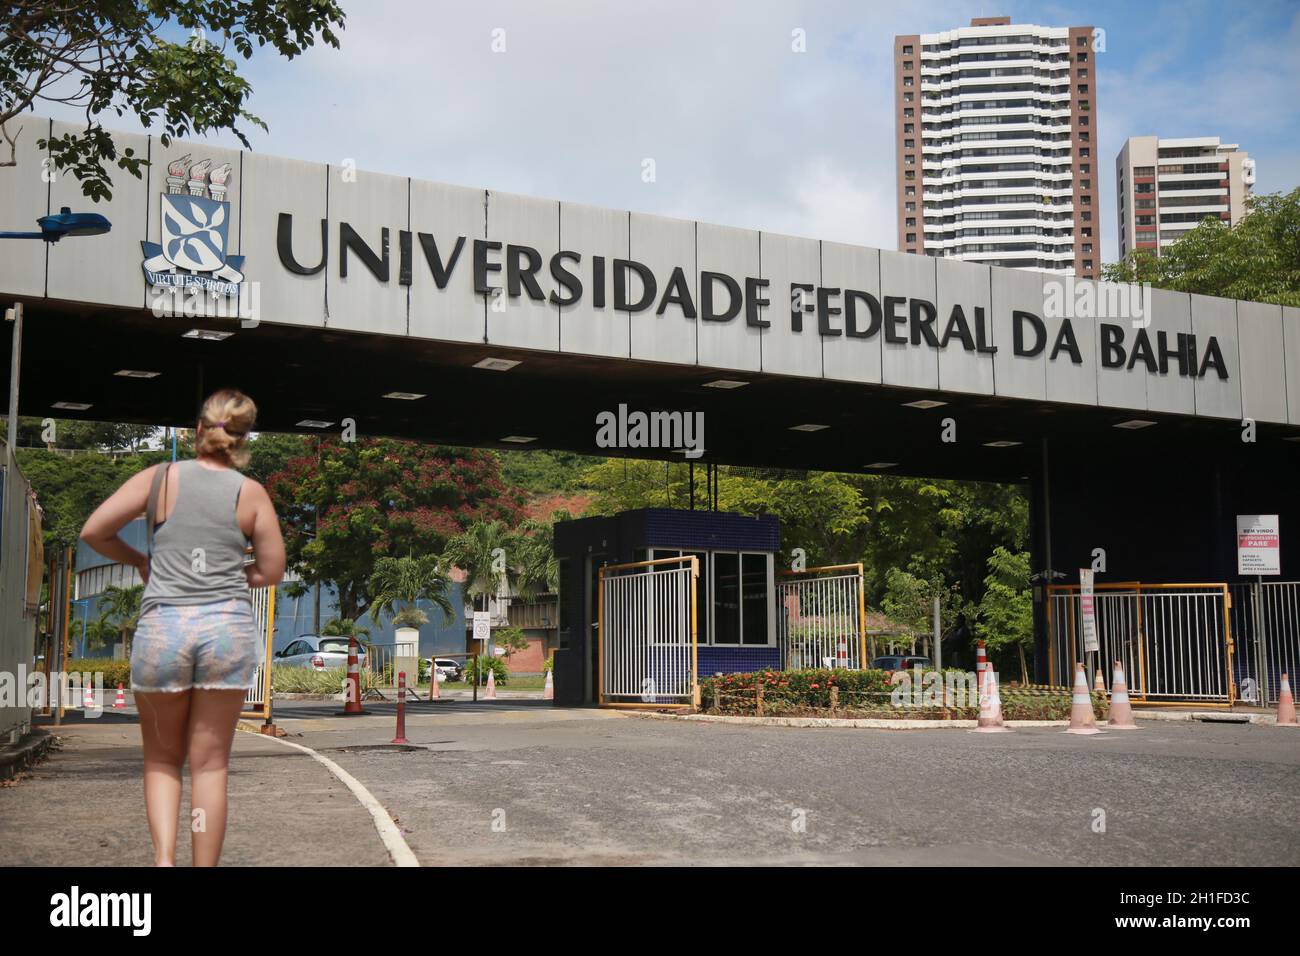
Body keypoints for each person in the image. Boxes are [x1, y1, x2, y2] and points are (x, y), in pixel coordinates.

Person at [80, 389, 285, 866]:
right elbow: (272, 569)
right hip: (226, 632)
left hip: (163, 631)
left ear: (197, 431)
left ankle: (164, 862)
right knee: (210, 766)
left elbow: (94, 530)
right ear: (242, 438)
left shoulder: (158, 480)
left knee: (161, 759)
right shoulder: (249, 492)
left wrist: (139, 560)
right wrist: (233, 573)